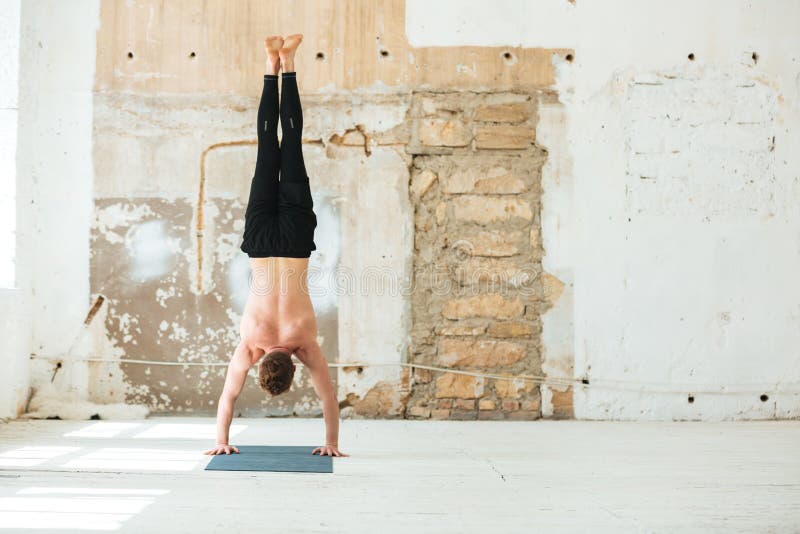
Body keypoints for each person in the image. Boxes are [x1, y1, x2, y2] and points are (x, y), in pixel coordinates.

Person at [204, 34, 347, 458]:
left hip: (298, 240)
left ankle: (289, 61)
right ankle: (270, 62)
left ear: (292, 366)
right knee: (268, 145)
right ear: (263, 363)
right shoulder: (251, 342)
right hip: (262, 241)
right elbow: (227, 398)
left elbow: (327, 401)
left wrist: (331, 444)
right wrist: (220, 442)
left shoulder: (306, 343)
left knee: (292, 141)